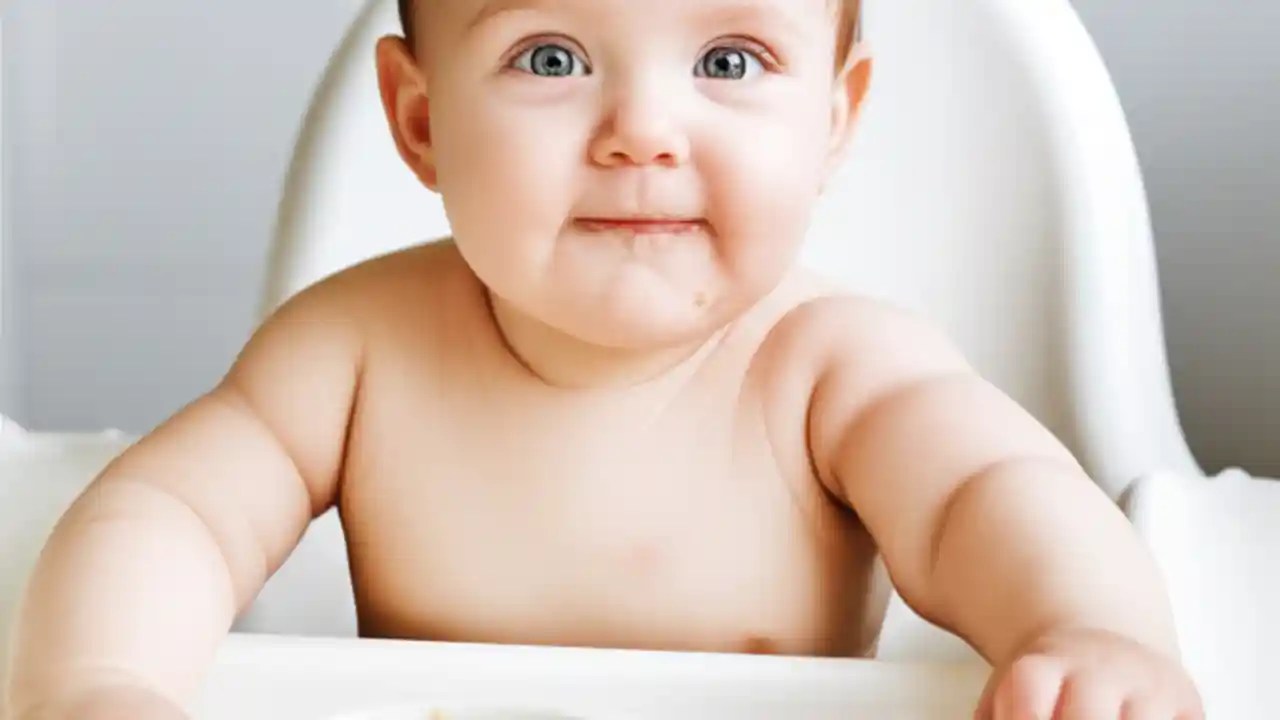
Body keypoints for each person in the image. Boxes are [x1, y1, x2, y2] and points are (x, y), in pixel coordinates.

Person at [5, 1, 1203, 718]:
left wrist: (1092, 632)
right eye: (550, 55)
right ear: (421, 120)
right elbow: (171, 512)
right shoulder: (352, 353)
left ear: (832, 122)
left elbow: (983, 500)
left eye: (727, 59)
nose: (641, 131)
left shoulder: (831, 369)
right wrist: (103, 683)